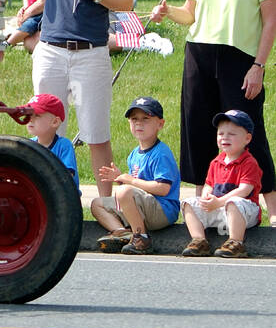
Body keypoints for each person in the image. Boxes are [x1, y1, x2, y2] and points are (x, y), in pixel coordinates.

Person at [151, 0, 276, 222]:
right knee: (198, 129)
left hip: (240, 58)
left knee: (249, 132)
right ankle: (201, 208)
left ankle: (273, 208)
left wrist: (258, 66)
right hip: (199, 53)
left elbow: (270, 22)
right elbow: (189, 14)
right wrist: (168, 12)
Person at [5, 0, 133, 197]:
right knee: (48, 132)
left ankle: (107, 205)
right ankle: (48, 200)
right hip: (50, 52)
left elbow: (126, 2)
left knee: (96, 134)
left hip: (91, 54)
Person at [92, 97, 181, 255]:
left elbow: (163, 189)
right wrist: (120, 179)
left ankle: (142, 238)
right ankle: (123, 233)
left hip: (163, 210)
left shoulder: (161, 153)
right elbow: (133, 189)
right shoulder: (134, 154)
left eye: (145, 119)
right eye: (134, 119)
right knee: (97, 204)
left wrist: (129, 181)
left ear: (160, 124)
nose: (139, 123)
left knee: (124, 191)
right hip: (144, 208)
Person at [180, 111, 264, 258]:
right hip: (219, 208)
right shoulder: (216, 162)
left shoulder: (249, 162)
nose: (225, 137)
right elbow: (208, 185)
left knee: (233, 202)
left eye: (232, 134)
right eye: (221, 133)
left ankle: (236, 242)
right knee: (189, 202)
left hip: (245, 213)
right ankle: (199, 240)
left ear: (247, 138)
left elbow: (244, 190)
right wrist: (207, 197)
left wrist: (219, 202)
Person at [25, 93, 78, 191]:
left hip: (63, 198)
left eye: (37, 115)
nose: (30, 119)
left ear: (55, 122)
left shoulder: (64, 145)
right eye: (29, 114)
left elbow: (67, 176)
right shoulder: (29, 145)